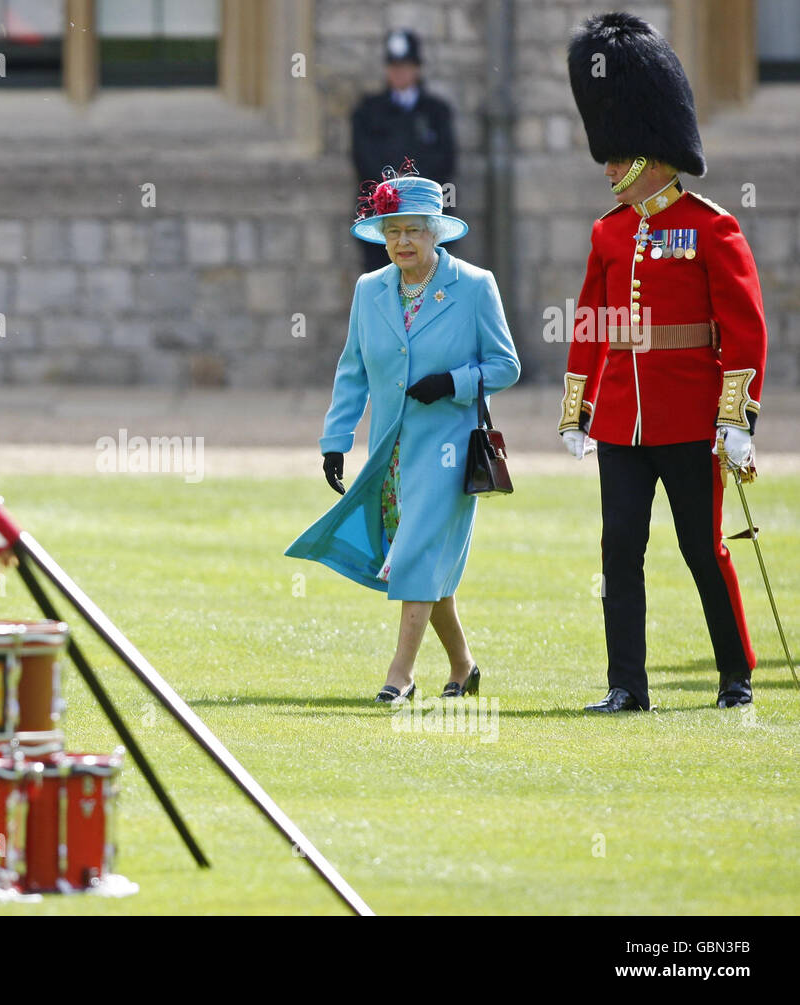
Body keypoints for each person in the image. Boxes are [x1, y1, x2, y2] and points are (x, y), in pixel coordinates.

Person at [560, 13, 768, 713]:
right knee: (620, 550)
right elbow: (592, 322)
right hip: (623, 419)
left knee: (702, 549)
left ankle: (735, 674)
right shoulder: (609, 233)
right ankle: (628, 685)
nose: (610, 168)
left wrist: (737, 420)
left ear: (652, 153)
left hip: (688, 418)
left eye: (619, 157)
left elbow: (744, 331)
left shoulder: (714, 227)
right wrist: (577, 408)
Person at [286, 167, 520, 703]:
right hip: (390, 455)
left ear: (435, 231)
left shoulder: (475, 286)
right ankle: (463, 665)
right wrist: (335, 439)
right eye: (392, 231)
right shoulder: (369, 291)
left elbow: (506, 366)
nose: (402, 242)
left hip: (450, 451)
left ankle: (400, 675)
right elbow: (353, 370)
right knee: (424, 561)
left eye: (414, 230)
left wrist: (455, 383)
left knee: (414, 555)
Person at [350, 29, 457, 273]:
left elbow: (445, 162)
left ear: (417, 69)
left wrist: (413, 198)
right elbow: (363, 160)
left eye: (406, 66)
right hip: (382, 224)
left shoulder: (436, 112)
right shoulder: (368, 111)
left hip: (427, 222)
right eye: (394, 66)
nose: (400, 73)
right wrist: (393, 198)